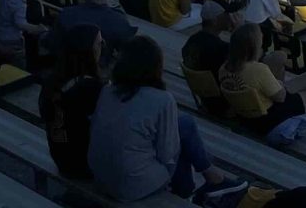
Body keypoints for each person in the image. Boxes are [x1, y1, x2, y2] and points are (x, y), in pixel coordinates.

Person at [88, 37, 248, 202]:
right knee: (182, 137)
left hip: (101, 176)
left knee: (183, 125)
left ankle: (210, 174)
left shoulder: (108, 91)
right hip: (132, 185)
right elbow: (168, 154)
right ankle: (188, 190)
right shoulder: (163, 100)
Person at [42, 24, 106, 179]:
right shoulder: (91, 88)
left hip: (59, 155)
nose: (103, 47)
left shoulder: (52, 80)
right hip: (83, 163)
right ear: (88, 50)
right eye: (99, 43)